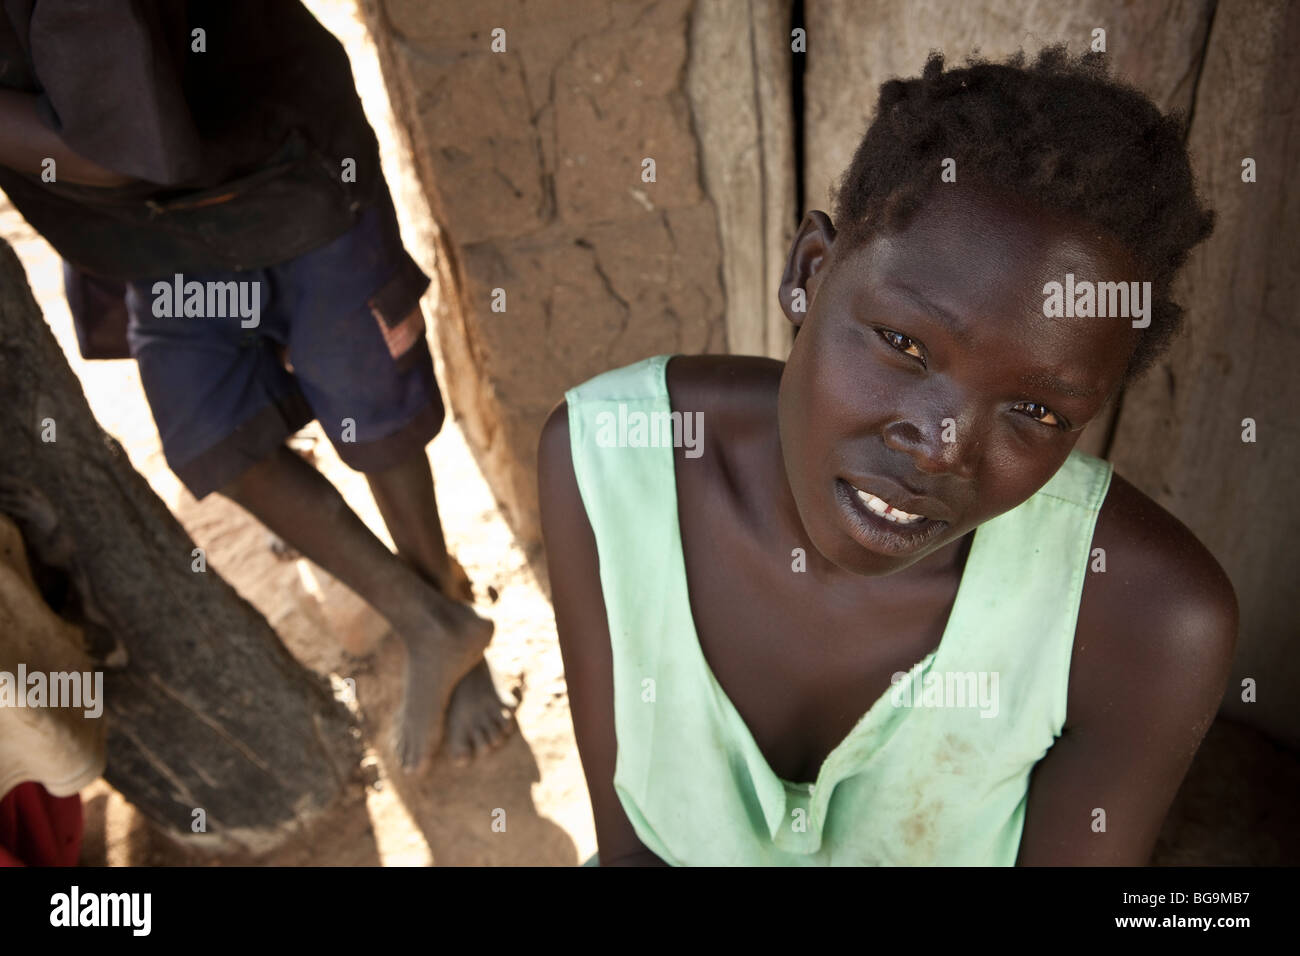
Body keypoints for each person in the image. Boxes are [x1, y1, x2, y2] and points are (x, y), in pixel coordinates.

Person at [539, 48, 1238, 865]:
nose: (941, 449)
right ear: (809, 271)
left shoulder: (1148, 619)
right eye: (904, 343)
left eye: (1037, 410)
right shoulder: (611, 465)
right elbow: (633, 851)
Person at [0, 0, 516, 770]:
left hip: (288, 160)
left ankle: (441, 583)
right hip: (156, 230)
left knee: (374, 412)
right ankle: (429, 620)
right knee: (213, 433)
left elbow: (115, 149)